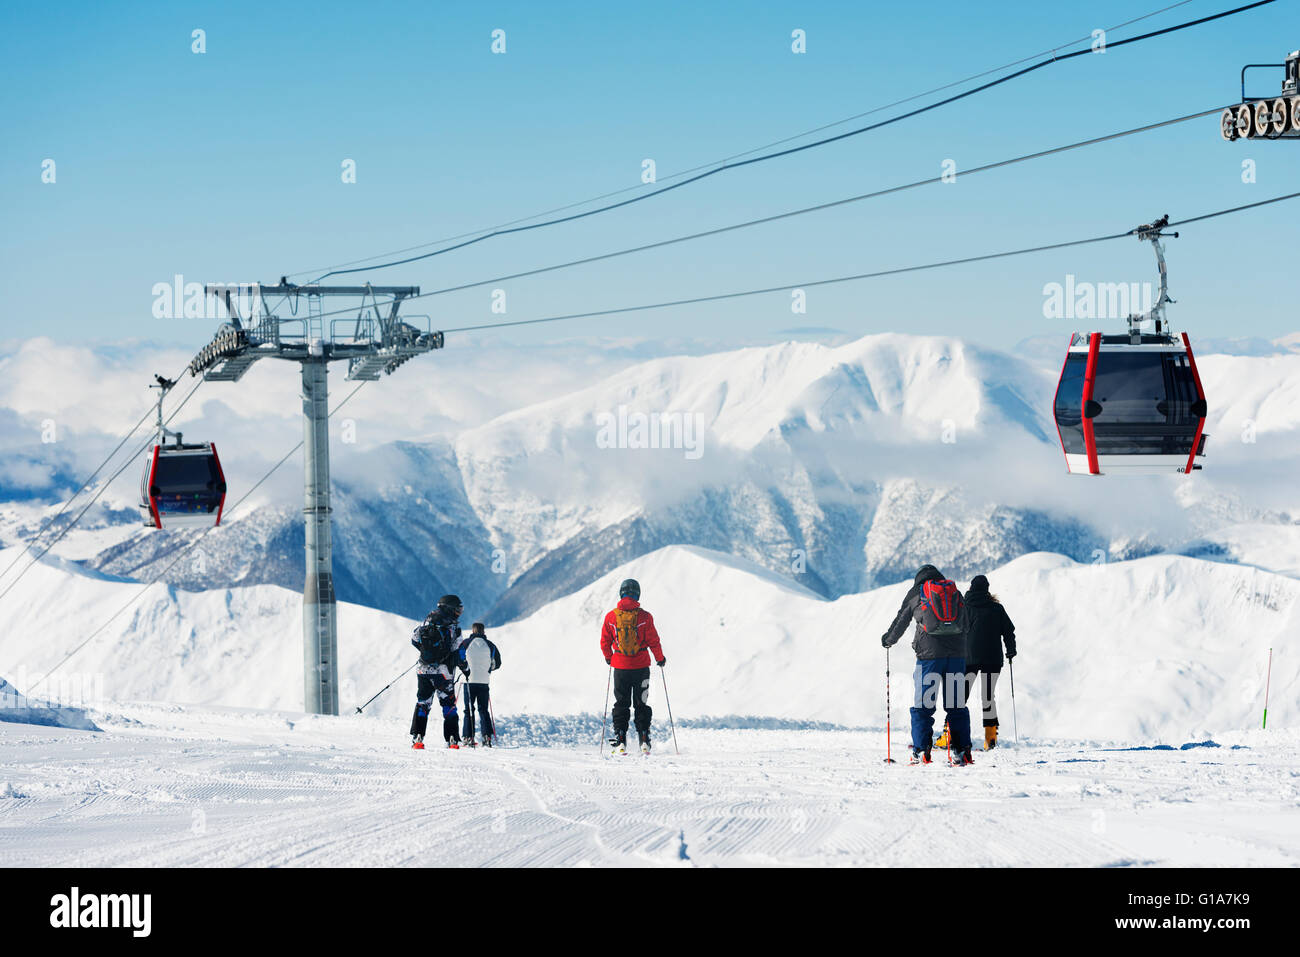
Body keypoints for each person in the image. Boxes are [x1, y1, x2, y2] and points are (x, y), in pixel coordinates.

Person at [881, 564, 974, 766]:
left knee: (924, 705)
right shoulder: (954, 591)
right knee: (956, 705)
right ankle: (962, 751)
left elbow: (901, 621)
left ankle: (922, 750)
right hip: (957, 657)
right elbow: (967, 623)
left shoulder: (916, 593)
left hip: (929, 657)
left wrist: (888, 640)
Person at [599, 578, 666, 754]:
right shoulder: (645, 617)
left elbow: (605, 642)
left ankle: (620, 741)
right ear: (637, 594)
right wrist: (660, 659)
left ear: (621, 593)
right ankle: (644, 740)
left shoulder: (611, 617)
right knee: (641, 703)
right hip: (641, 667)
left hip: (620, 667)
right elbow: (654, 641)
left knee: (621, 703)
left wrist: (609, 657)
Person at [962, 574, 1017, 750]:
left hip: (968, 658)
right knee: (988, 697)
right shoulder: (997, 608)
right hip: (993, 659)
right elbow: (1009, 631)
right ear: (987, 589)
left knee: (960, 696)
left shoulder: (964, 607)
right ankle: (990, 738)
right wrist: (1011, 650)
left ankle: (952, 734)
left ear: (971, 588)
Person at [410, 594, 466, 750]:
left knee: (423, 703)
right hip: (443, 672)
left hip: (423, 670)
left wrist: (427, 654)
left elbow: (414, 639)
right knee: (448, 704)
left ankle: (418, 737)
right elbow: (459, 652)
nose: (459, 613)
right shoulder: (453, 627)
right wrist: (465, 669)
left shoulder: (427, 621)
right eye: (457, 610)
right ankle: (452, 739)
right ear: (450, 609)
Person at [457, 622, 501, 747]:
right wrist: (488, 669)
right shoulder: (490, 645)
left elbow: (459, 659)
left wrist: (465, 669)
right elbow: (497, 663)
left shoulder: (465, 643)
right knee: (483, 710)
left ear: (473, 630)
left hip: (469, 680)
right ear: (483, 631)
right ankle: (487, 737)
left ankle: (467, 737)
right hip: (484, 682)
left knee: (468, 710)